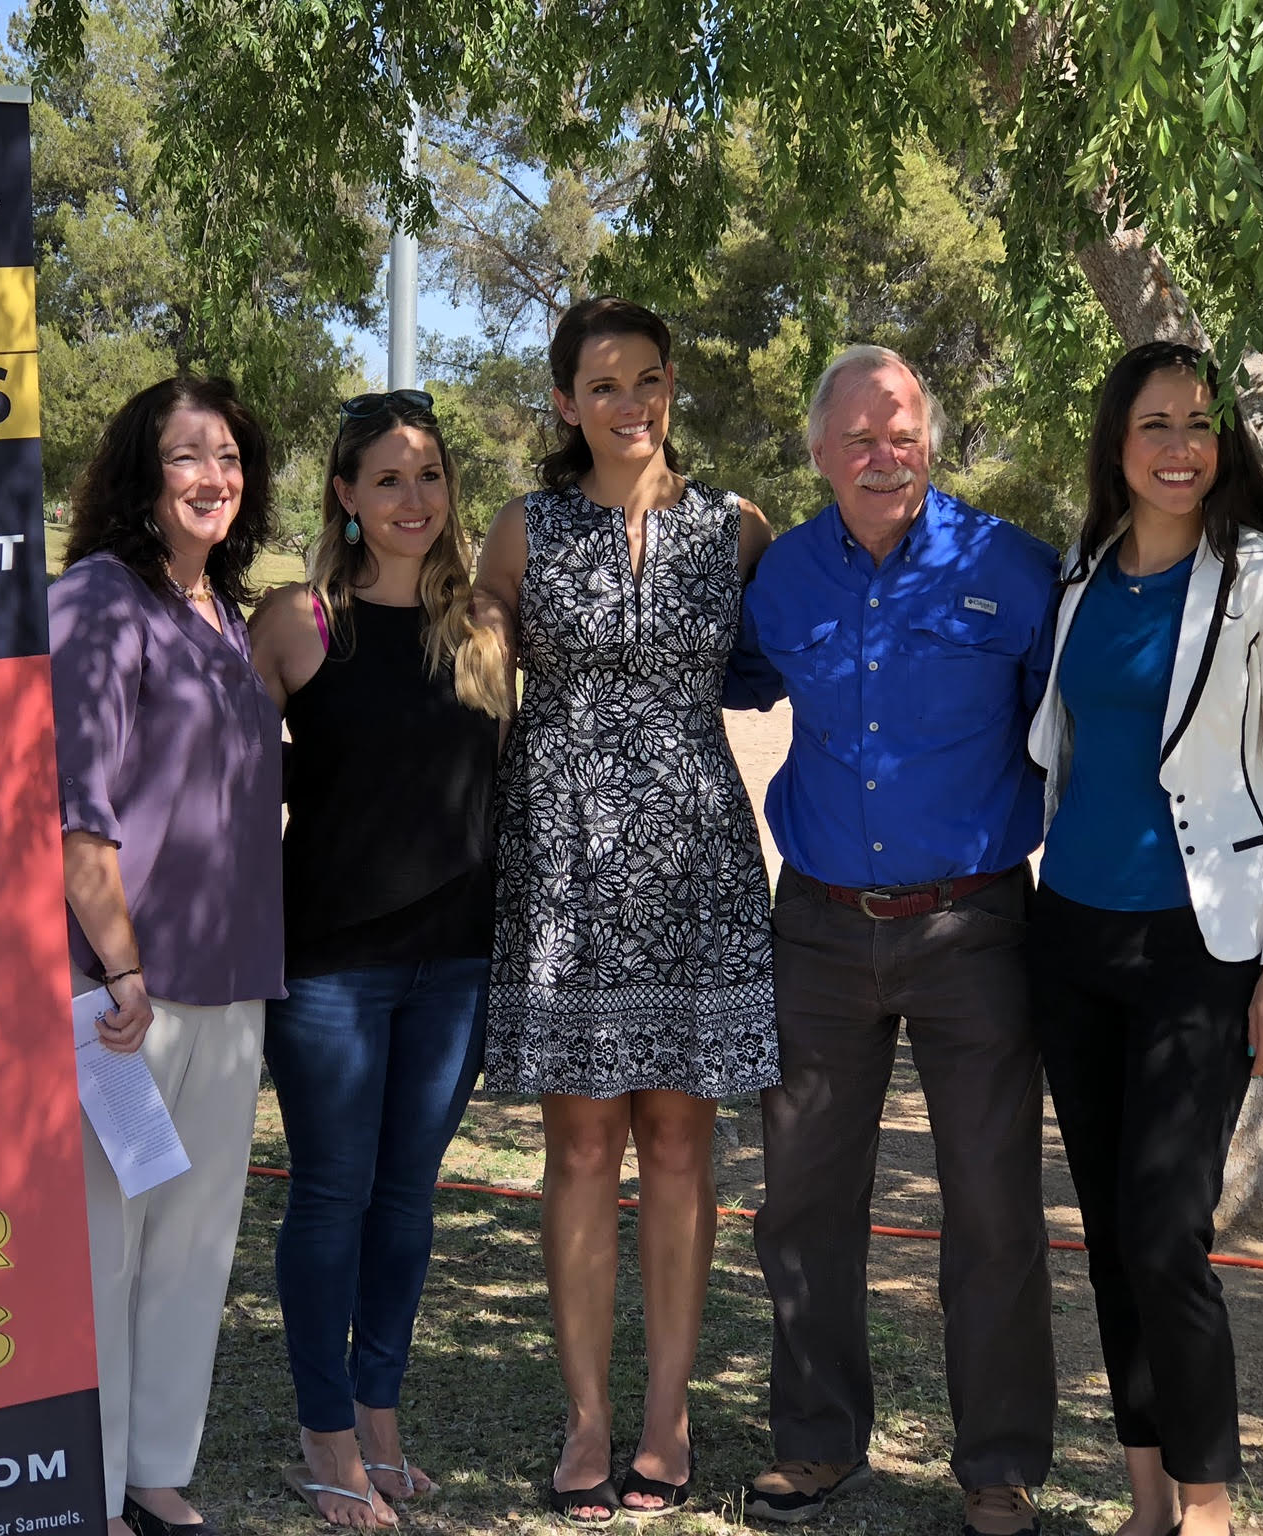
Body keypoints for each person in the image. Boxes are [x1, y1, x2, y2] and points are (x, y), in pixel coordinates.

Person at [725, 344, 1060, 1536]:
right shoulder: (776, 583)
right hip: (814, 928)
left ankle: (999, 1467)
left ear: (931, 438)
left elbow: (1069, 734)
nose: (883, 454)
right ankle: (815, 1445)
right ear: (816, 451)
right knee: (801, 1204)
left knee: (990, 1206)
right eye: (857, 436)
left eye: (902, 430)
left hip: (974, 926)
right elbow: (711, 684)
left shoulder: (1015, 571)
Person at [473, 296, 777, 1526]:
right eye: (602, 385)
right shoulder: (522, 527)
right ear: (564, 403)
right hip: (566, 865)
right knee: (583, 1149)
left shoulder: (736, 526)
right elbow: (468, 665)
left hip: (697, 858)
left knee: (682, 1148)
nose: (630, 405)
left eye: (648, 380)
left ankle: (668, 1414)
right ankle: (589, 1418)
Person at [1026, 341, 1263, 1536]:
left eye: (1198, 425)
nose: (1179, 447)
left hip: (1200, 951)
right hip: (1070, 940)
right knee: (1109, 1234)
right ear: (1115, 443)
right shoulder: (1078, 574)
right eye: (1154, 424)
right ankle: (1147, 1499)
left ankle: (1207, 1505)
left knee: (1165, 1232)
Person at [249, 390, 513, 1529]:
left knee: (406, 1202)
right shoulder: (293, 622)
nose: (415, 498)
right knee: (329, 1199)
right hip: (329, 972)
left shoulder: (488, 630)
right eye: (389, 479)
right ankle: (323, 1439)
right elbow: (230, 792)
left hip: (455, 963)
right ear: (345, 497)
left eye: (431, 476)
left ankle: (381, 1416)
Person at [48, 376, 284, 1536]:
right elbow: (73, 804)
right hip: (121, 994)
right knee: (104, 1253)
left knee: (191, 1248)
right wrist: (120, 965)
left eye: (229, 457)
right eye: (188, 457)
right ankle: (83, 1493)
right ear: (144, 476)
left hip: (233, 982)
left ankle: (152, 1471)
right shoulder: (98, 597)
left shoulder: (229, 617)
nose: (213, 478)